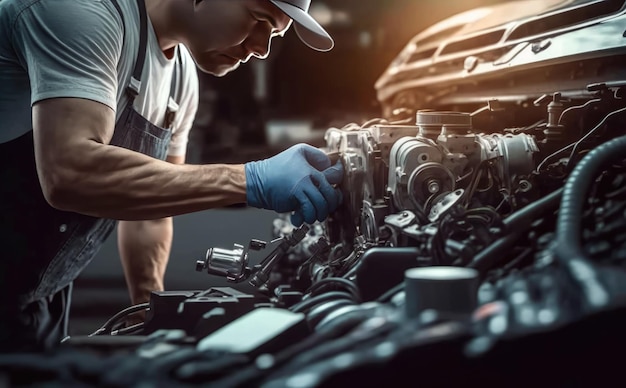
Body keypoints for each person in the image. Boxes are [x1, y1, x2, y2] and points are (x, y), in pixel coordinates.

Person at [0, 0, 343, 352]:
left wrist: (149, 317)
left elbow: (149, 212)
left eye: (274, 34)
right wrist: (249, 179)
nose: (261, 48)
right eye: (259, 20)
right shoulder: (80, 11)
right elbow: (70, 172)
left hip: (37, 296)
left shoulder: (181, 80)